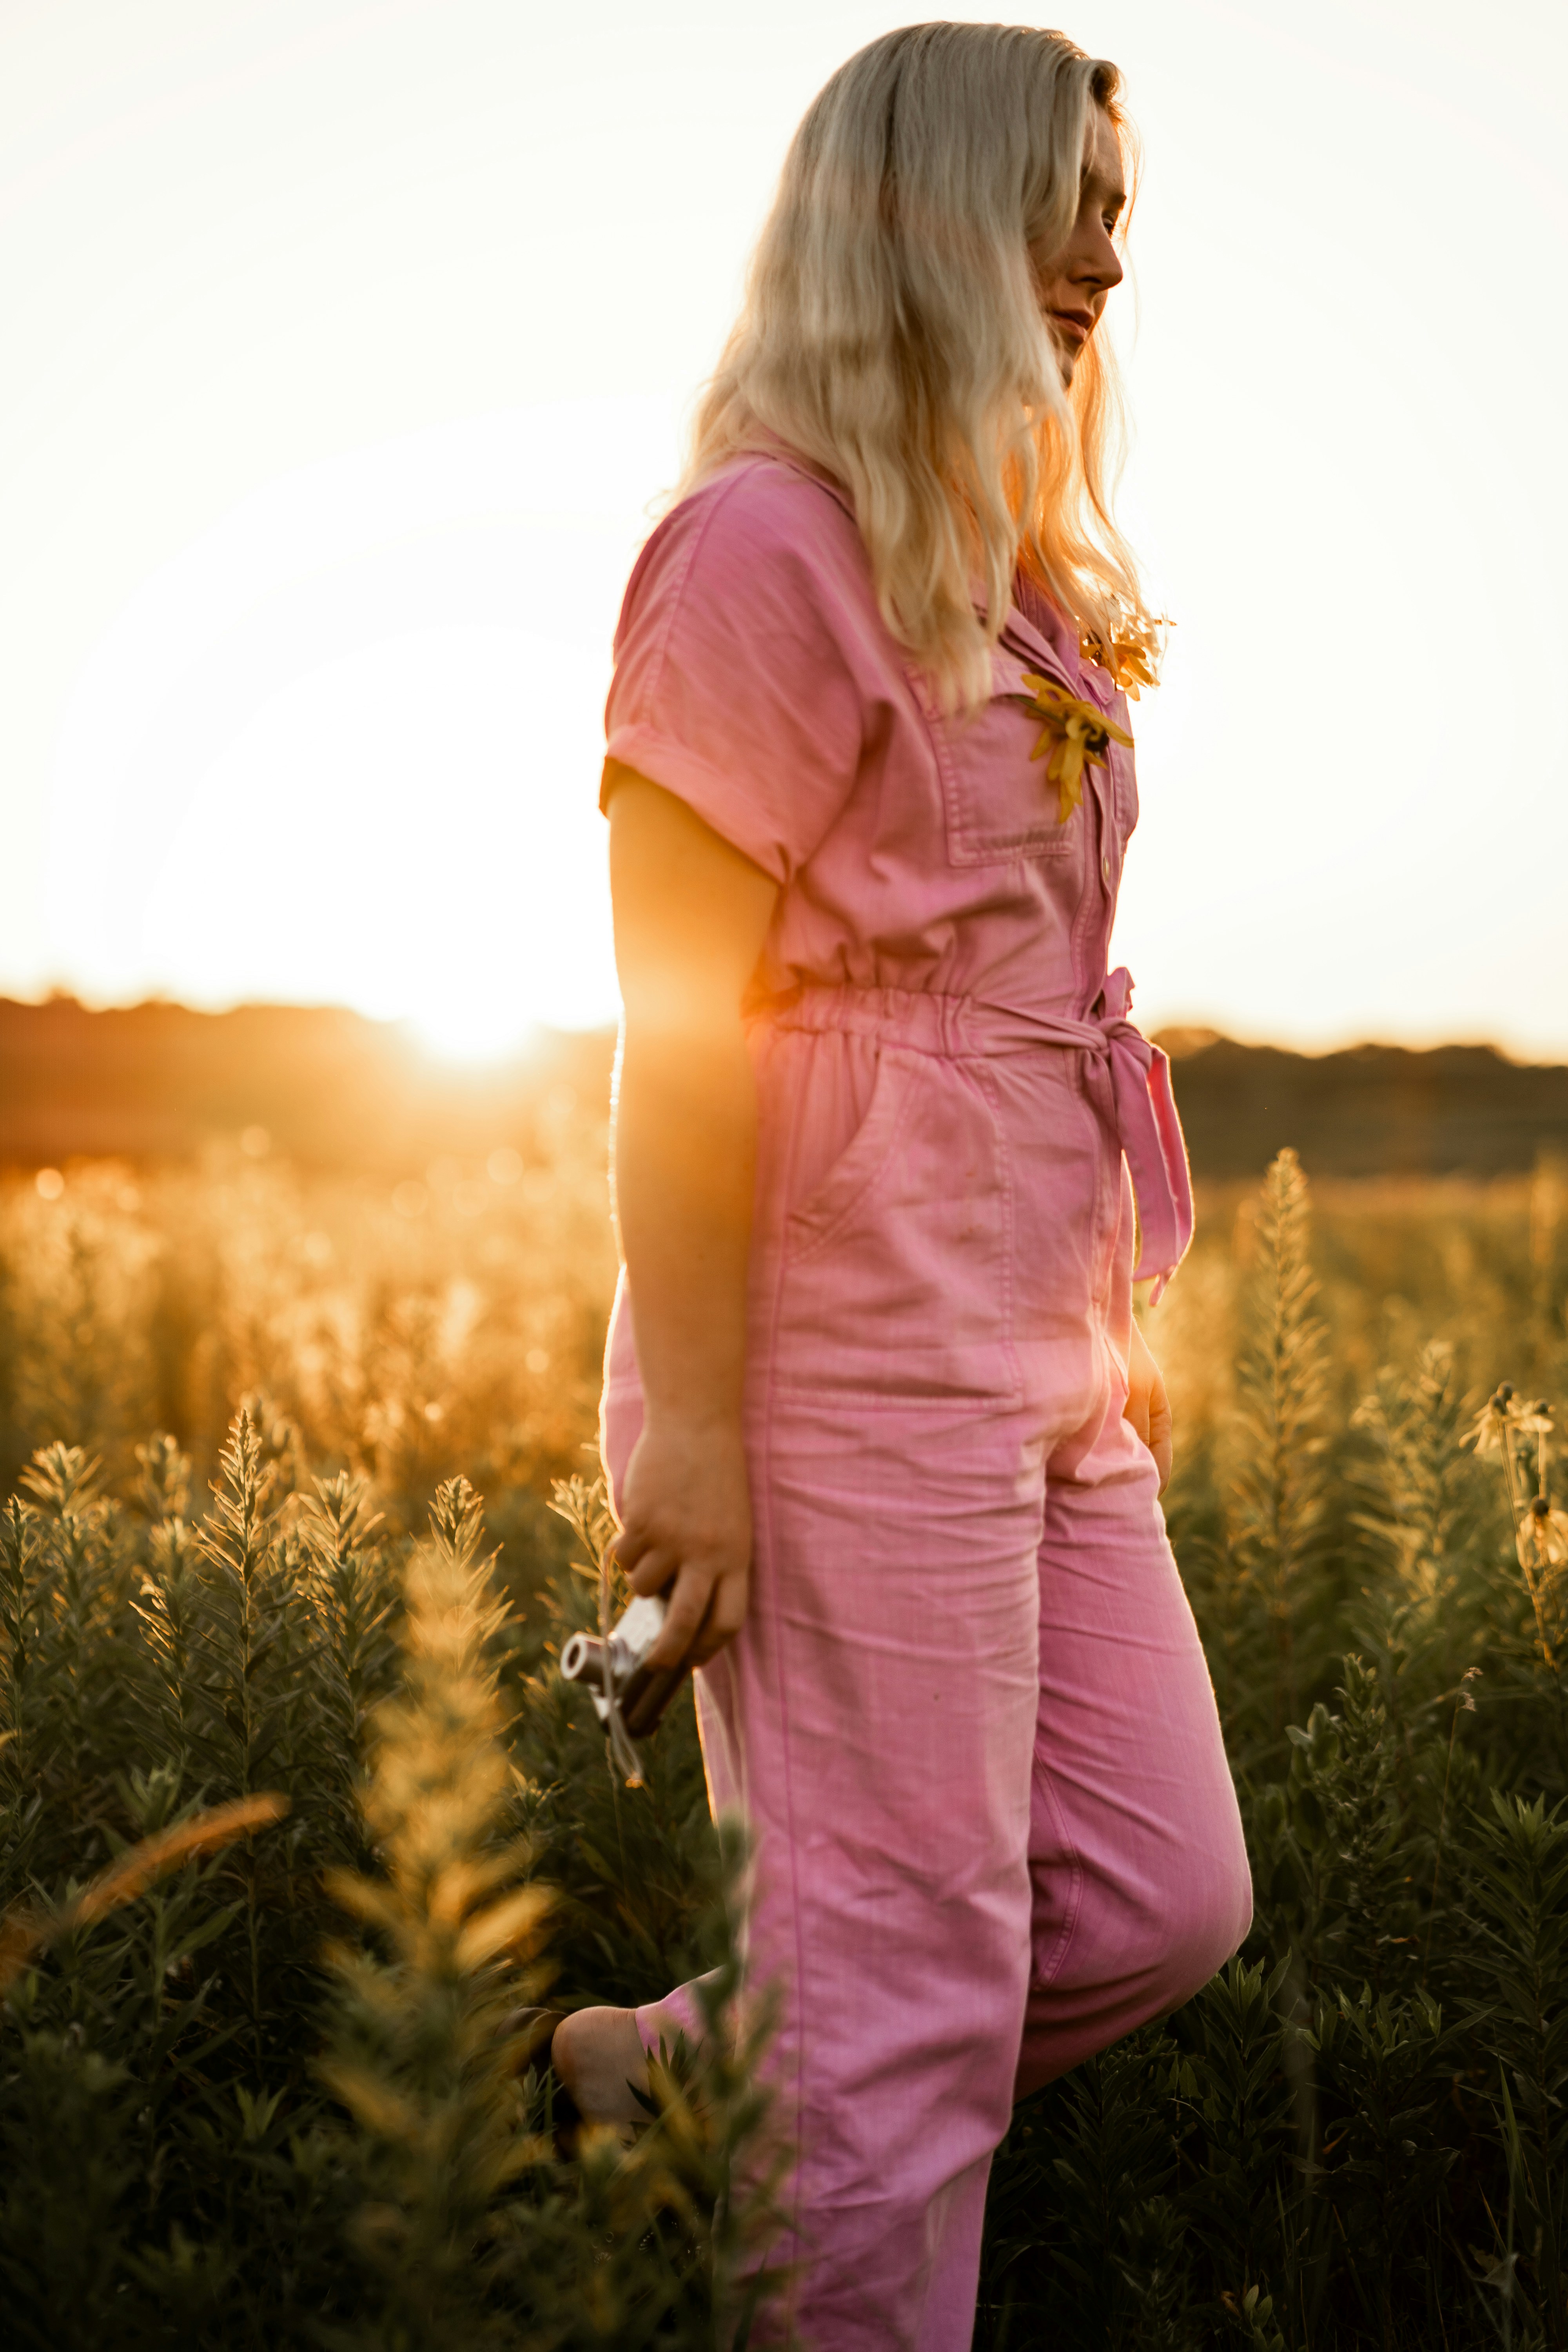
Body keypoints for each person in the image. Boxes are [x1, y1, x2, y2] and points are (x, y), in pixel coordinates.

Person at [552, 24, 1253, 2347]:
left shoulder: (1014, 565)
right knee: (905, 1996)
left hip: (1038, 1327)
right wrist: (708, 1433)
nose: (1111, 252)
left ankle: (696, 2079)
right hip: (844, 1334)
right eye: (1071, 198)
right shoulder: (760, 543)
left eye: (1119, 211)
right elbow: (681, 1023)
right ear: (937, 205)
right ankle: (826, 2135)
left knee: (1157, 1896)